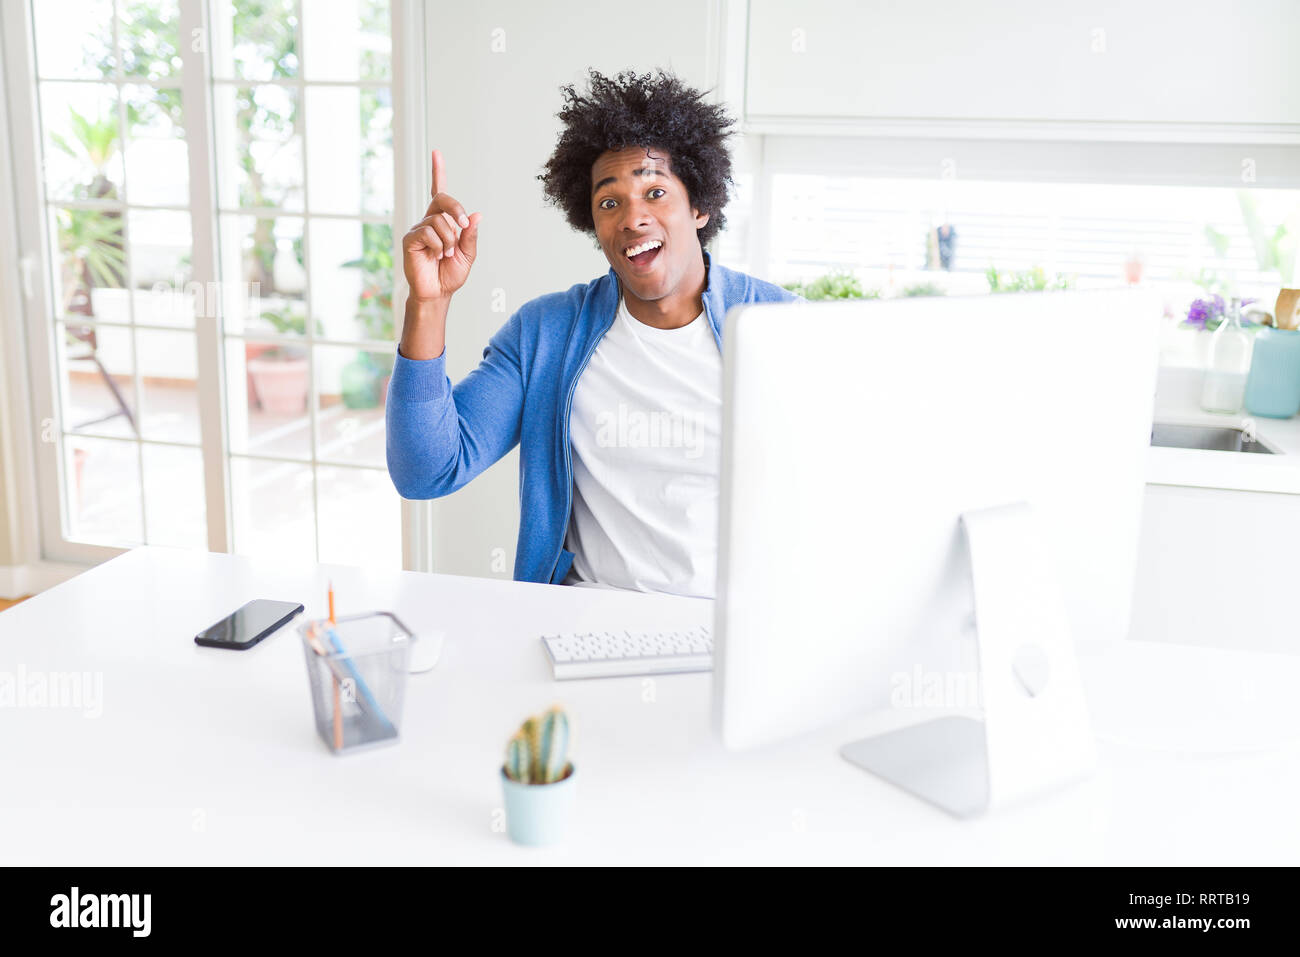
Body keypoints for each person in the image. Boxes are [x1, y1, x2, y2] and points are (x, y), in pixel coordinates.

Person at [385, 68, 799, 599]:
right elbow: (426, 471)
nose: (633, 218)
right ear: (593, 223)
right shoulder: (546, 334)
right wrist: (430, 302)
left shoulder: (782, 328)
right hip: (584, 621)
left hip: (734, 632)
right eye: (610, 202)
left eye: (654, 192)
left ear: (699, 207)